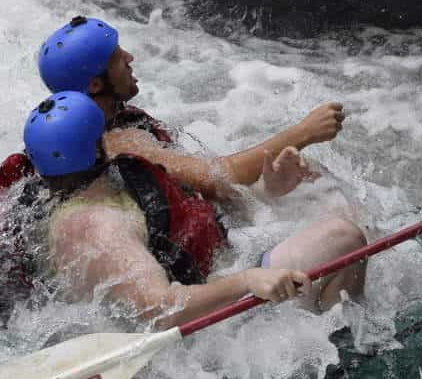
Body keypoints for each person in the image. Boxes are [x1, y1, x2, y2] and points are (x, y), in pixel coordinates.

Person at [22, 92, 367, 326]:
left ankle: (335, 337)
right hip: (197, 335)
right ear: (98, 149)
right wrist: (247, 280)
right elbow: (159, 309)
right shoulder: (97, 225)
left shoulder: (107, 185)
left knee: (323, 203)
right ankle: (345, 355)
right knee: (342, 237)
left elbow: (183, 215)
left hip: (211, 286)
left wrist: (269, 191)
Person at [0, 15, 346, 203]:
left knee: (307, 177)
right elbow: (217, 178)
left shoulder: (98, 132)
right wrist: (304, 133)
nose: (129, 59)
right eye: (117, 58)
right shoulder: (117, 143)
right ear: (96, 84)